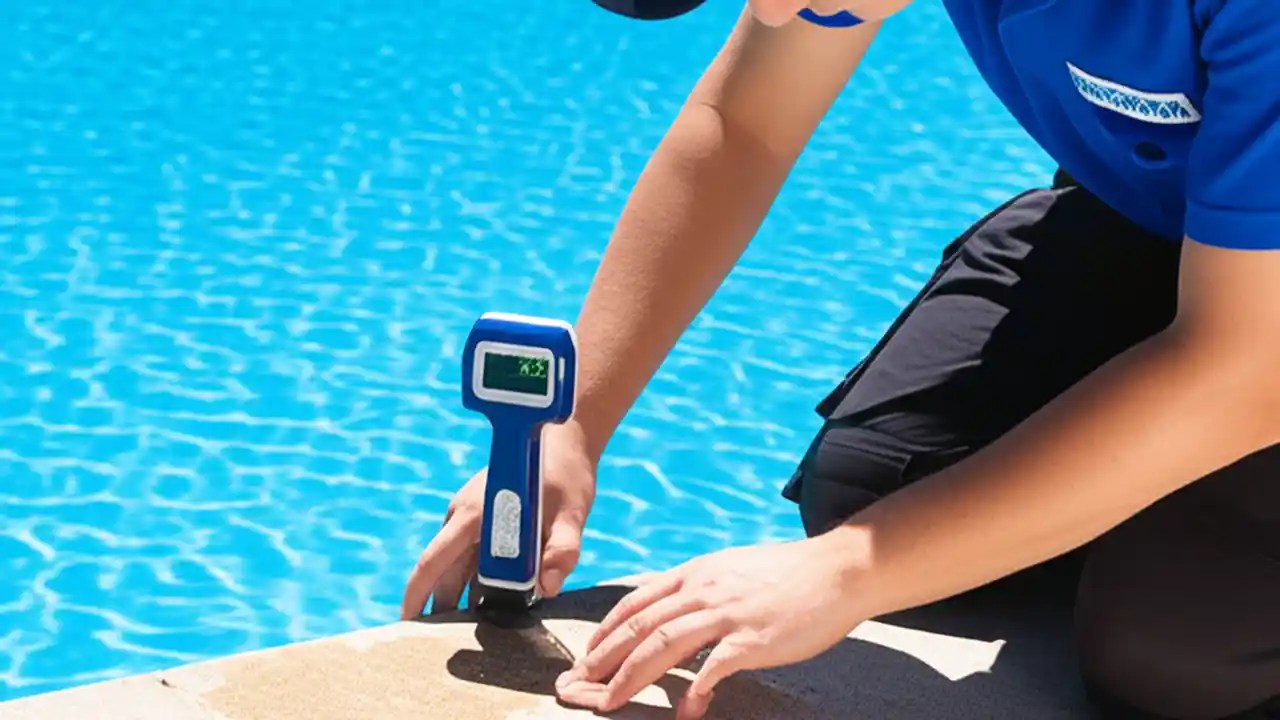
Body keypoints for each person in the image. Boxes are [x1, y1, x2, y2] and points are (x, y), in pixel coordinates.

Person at [401, 0, 1280, 717]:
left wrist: (848, 573)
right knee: (875, 489)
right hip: (1163, 224)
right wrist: (573, 424)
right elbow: (740, 125)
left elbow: (1243, 369)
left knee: (1173, 650)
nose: (778, 9)